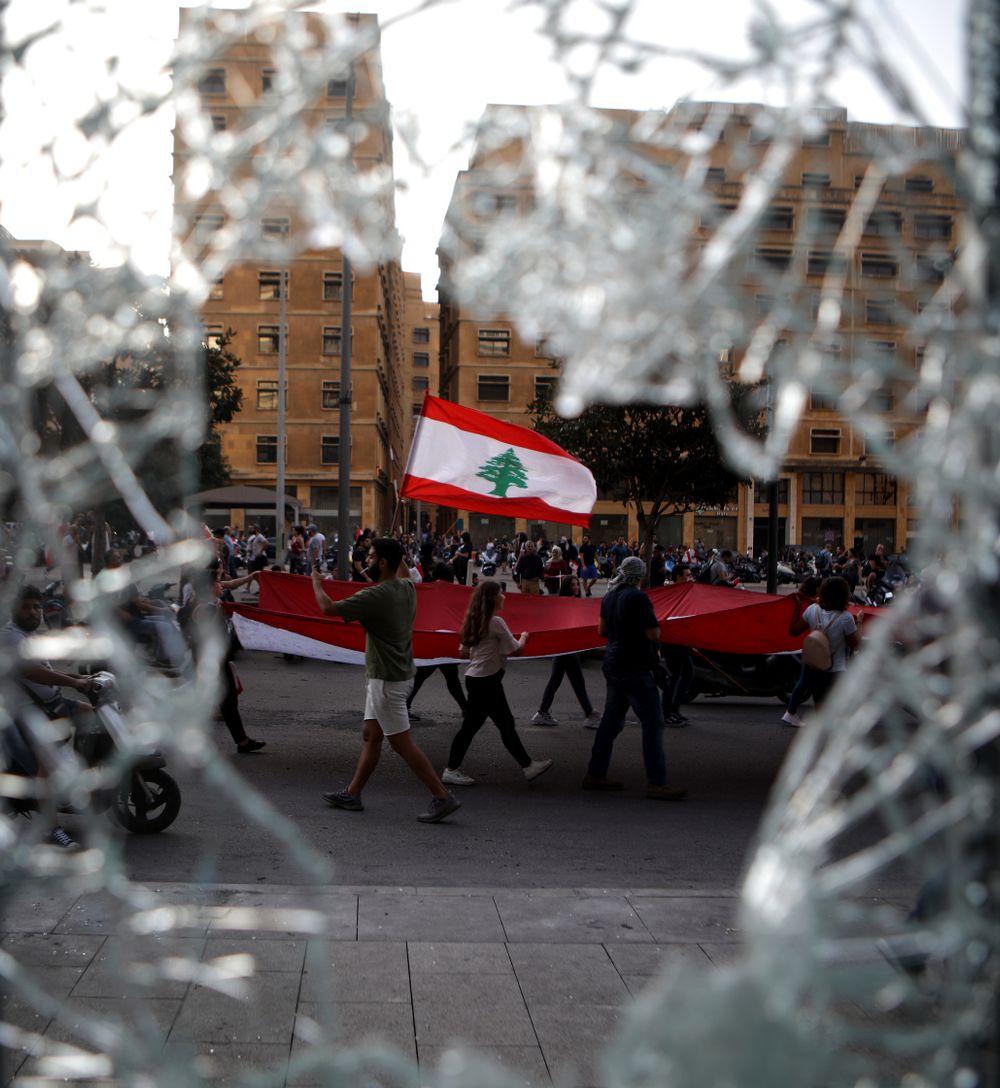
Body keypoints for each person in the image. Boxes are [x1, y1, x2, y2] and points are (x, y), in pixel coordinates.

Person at [311, 537, 460, 823]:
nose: (366, 560)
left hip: (387, 679)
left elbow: (328, 608)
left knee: (402, 743)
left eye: (370, 556)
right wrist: (394, 549)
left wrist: (316, 582)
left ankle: (442, 796)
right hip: (391, 675)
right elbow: (401, 568)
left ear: (382, 562)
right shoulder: (405, 587)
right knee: (371, 734)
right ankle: (352, 794)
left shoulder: (375, 596)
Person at [1, 585, 99, 849]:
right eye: (27, 607)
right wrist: (72, 681)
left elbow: (45, 670)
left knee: (96, 716)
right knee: (46, 761)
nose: (33, 612)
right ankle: (52, 828)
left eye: (36, 607)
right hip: (26, 714)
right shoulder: (11, 636)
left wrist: (81, 679)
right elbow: (33, 672)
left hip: (52, 705)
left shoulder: (28, 635)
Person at [583, 556, 687, 801]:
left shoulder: (609, 597)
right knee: (653, 721)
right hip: (635, 665)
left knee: (611, 721)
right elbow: (653, 633)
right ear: (640, 575)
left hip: (613, 663)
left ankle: (595, 773)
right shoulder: (638, 598)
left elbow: (602, 631)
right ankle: (657, 781)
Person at [440, 581, 551, 787]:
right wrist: (524, 637)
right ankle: (452, 769)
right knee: (494, 725)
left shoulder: (473, 621)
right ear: (492, 598)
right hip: (487, 680)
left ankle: (527, 766)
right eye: (501, 593)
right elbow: (516, 649)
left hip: (476, 678)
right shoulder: (496, 622)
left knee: (488, 725)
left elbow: (463, 652)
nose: (505, 596)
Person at [783, 575, 862, 726]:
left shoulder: (812, 610)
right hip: (836, 669)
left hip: (814, 665)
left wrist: (798, 608)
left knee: (820, 707)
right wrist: (859, 622)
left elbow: (794, 631)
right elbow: (856, 645)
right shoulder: (846, 618)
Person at [531, 576, 597, 728]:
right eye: (572, 585)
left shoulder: (574, 602)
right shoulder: (564, 603)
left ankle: (542, 712)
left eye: (576, 584)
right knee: (576, 682)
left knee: (557, 681)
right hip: (566, 649)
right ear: (567, 587)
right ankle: (589, 713)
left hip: (565, 648)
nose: (575, 587)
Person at [406, 563, 468, 722]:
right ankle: (466, 709)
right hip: (442, 641)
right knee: (445, 676)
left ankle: (466, 708)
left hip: (433, 640)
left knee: (430, 675)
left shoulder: (429, 590)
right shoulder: (448, 593)